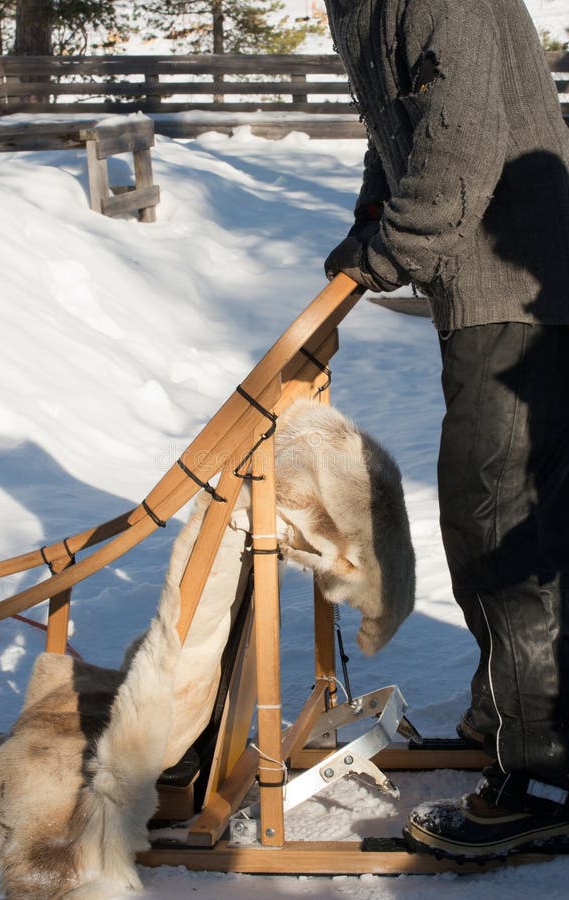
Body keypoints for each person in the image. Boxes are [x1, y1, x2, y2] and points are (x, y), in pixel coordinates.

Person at [323, 0, 569, 859]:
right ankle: (515, 711)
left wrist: (389, 252)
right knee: (523, 513)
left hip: (512, 285)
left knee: (494, 518)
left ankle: (541, 778)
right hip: (496, 285)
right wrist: (367, 226)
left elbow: (458, 141)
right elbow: (403, 125)